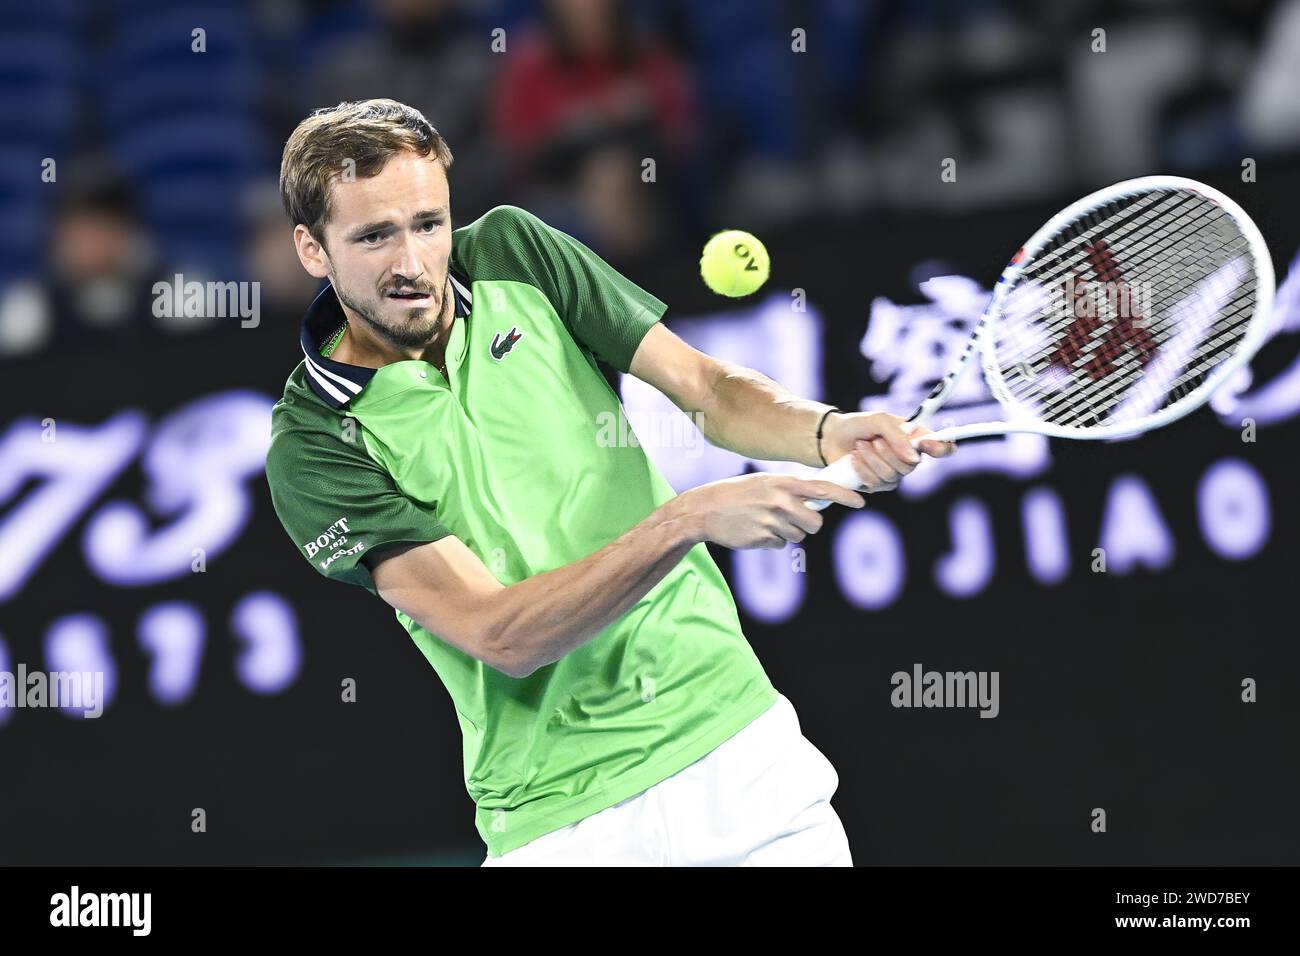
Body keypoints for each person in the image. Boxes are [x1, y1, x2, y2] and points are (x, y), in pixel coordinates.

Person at [265, 98, 953, 866]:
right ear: (312, 250)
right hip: (561, 824)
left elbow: (705, 387)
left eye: (429, 224)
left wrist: (823, 429)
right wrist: (683, 520)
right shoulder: (315, 442)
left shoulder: (512, 253)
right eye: (374, 237)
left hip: (738, 756)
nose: (412, 264)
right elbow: (502, 635)